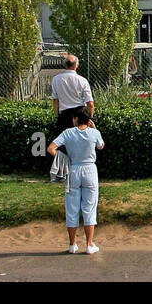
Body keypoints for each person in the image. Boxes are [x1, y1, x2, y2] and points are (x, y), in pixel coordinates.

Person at [47, 107, 104, 255]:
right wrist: (94, 128)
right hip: (90, 169)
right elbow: (101, 146)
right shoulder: (94, 133)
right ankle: (89, 244)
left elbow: (51, 148)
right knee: (89, 207)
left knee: (72, 207)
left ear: (76, 119)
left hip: (73, 169)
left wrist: (63, 159)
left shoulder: (68, 133)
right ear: (88, 120)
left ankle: (72, 244)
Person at [49, 54, 94, 182]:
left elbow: (56, 101)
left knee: (62, 145)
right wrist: (89, 117)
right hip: (80, 113)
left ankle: (63, 173)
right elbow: (90, 103)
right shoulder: (82, 80)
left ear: (65, 65)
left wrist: (57, 116)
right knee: (81, 144)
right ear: (76, 65)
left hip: (64, 114)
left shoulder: (56, 79)